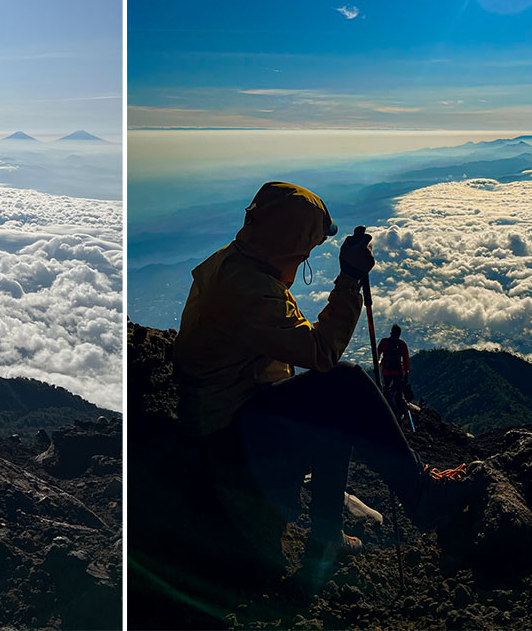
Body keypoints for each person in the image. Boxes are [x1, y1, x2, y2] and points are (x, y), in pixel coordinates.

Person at [172, 181, 476, 588]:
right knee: (343, 383)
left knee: (329, 400)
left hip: (224, 420)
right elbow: (321, 353)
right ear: (292, 245)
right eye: (308, 247)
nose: (307, 257)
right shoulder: (250, 291)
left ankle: (326, 536)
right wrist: (349, 279)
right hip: (230, 441)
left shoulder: (235, 266)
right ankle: (420, 494)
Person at [377, 323, 412, 420]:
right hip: (398, 371)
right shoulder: (402, 344)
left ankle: (386, 410)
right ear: (399, 334)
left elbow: (378, 354)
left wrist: (378, 366)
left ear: (391, 332)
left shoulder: (384, 342)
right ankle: (399, 412)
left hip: (386, 371)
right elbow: (405, 359)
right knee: (398, 391)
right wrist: (406, 373)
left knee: (386, 390)